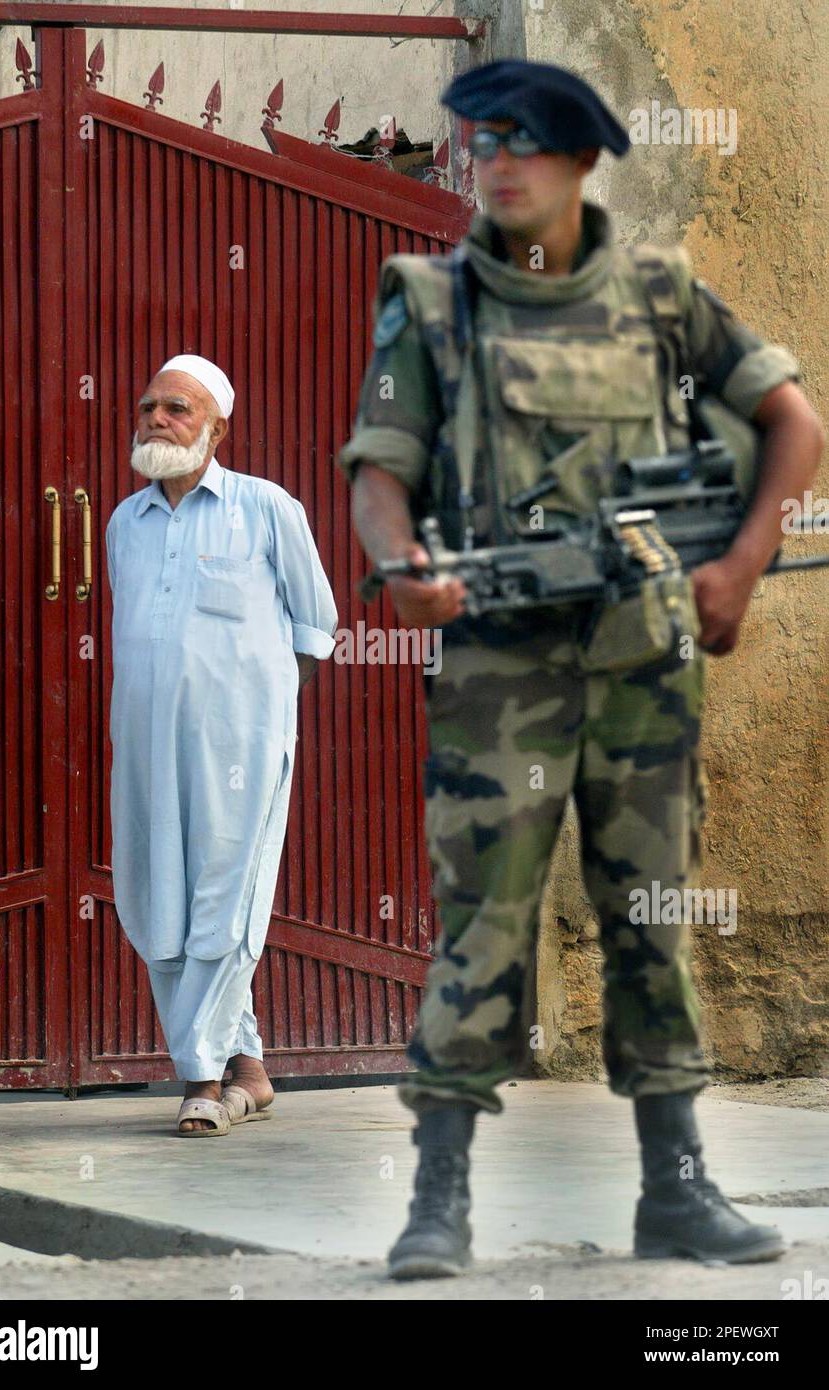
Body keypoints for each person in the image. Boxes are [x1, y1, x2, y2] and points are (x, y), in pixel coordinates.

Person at [338, 61, 824, 1276]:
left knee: (651, 921)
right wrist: (402, 566)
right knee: (480, 927)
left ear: (582, 162)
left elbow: (794, 425)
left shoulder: (663, 297)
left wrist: (738, 568)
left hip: (643, 662)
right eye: (481, 141)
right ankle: (436, 1201)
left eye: (524, 143)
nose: (496, 161)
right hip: (501, 666)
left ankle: (678, 1187)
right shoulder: (426, 304)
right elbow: (378, 466)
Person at [107, 354, 337, 1135]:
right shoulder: (122, 524)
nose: (156, 419)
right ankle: (249, 1070)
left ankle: (200, 1077)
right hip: (142, 741)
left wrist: (254, 707)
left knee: (224, 898)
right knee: (152, 895)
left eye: (176, 408)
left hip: (240, 746)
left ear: (218, 428)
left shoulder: (266, 508)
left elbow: (315, 626)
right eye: (147, 407)